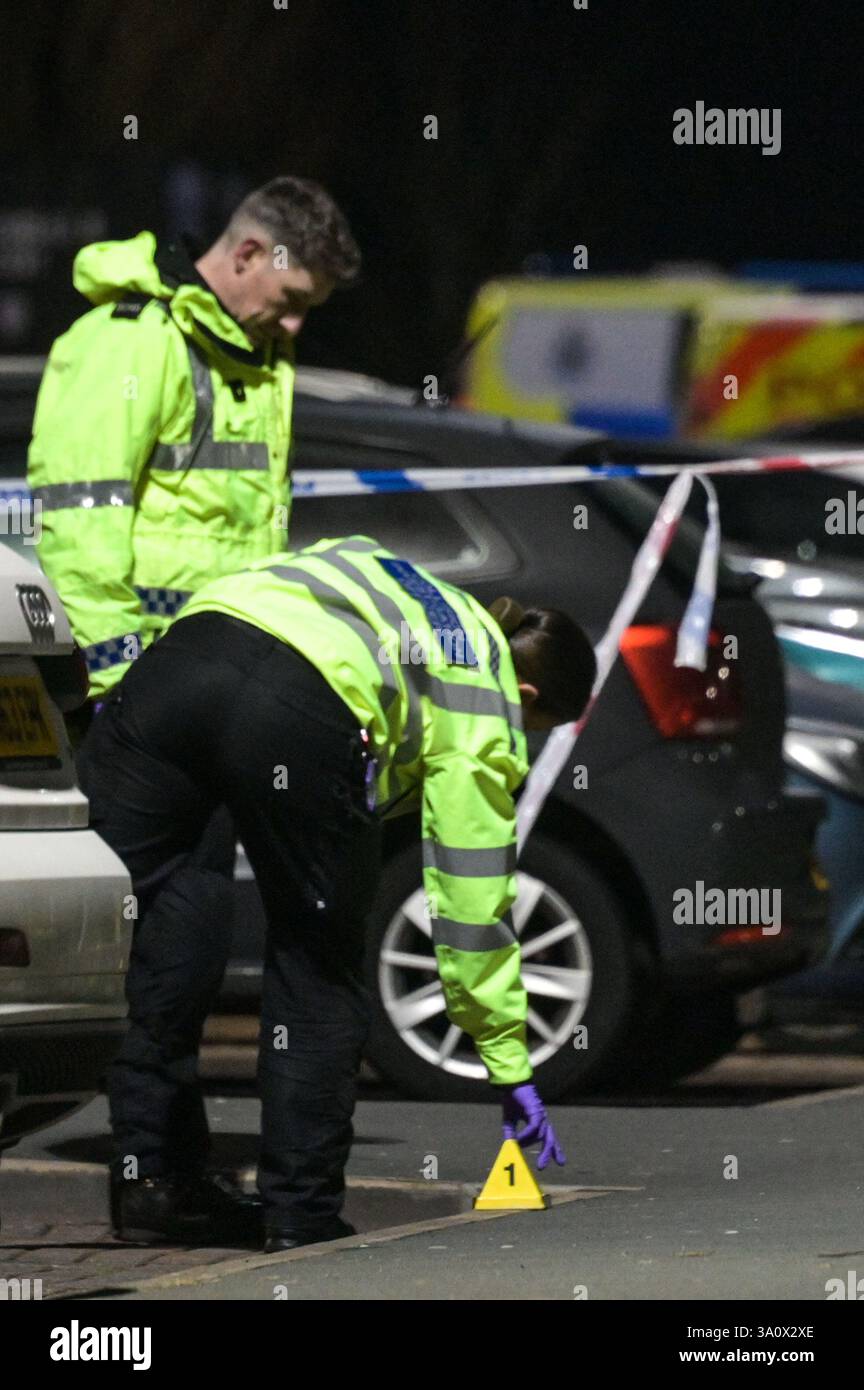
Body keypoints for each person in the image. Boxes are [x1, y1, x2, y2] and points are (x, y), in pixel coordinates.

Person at [77, 534, 597, 1251]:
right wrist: (508, 1061)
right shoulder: (484, 691)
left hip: (181, 663)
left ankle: (154, 1183)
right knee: (317, 966)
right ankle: (300, 1213)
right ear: (530, 694)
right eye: (534, 729)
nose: (523, 740)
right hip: (301, 707)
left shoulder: (388, 568)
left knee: (147, 922)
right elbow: (471, 899)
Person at [27, 175, 361, 708]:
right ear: (249, 254)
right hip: (143, 690)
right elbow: (79, 521)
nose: (295, 326)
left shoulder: (257, 357)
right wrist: (117, 679)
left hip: (210, 686)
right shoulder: (131, 339)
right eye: (291, 298)